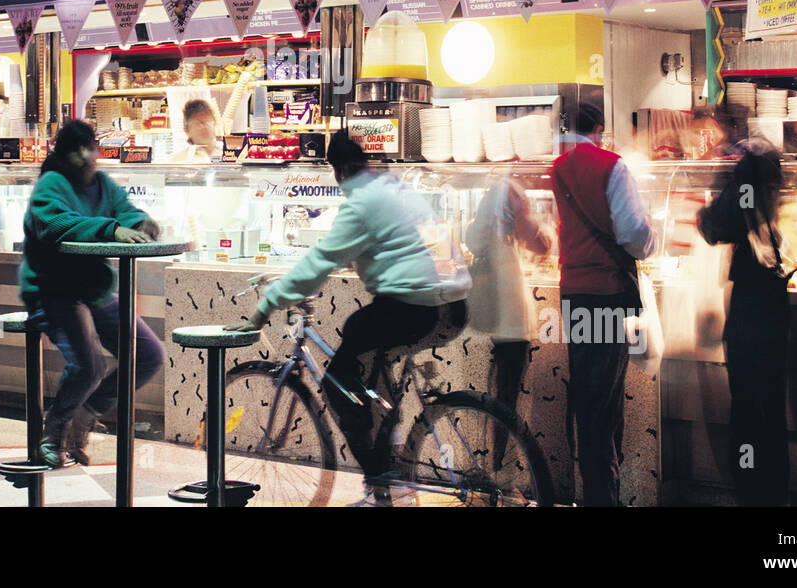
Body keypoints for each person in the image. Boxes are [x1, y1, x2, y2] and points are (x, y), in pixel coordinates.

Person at [228, 132, 470, 503]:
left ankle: (378, 474)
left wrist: (263, 310)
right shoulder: (394, 188)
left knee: (339, 377)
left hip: (413, 307)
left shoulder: (360, 204)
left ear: (337, 171)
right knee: (370, 358)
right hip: (452, 304)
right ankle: (389, 460)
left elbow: (320, 262)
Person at [19, 119, 165, 467]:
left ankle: (83, 417)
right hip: (54, 289)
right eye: (77, 149)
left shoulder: (102, 184)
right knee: (89, 366)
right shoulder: (50, 185)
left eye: (91, 147)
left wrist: (141, 221)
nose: (87, 156)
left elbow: (125, 210)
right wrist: (111, 230)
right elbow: (57, 225)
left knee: (148, 354)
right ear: (64, 154)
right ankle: (53, 431)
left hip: (94, 288)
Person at [550, 101, 655, 506]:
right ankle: (602, 497)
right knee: (603, 405)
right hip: (608, 295)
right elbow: (632, 234)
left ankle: (599, 490)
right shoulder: (612, 166)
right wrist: (652, 241)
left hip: (574, 295)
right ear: (599, 128)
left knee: (590, 398)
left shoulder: (559, 167)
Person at [696, 138, 792, 506]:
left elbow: (712, 228)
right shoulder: (768, 185)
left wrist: (725, 185)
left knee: (748, 411)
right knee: (771, 406)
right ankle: (775, 493)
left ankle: (752, 495)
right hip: (775, 306)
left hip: (750, 310)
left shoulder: (744, 189)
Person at [465, 171, 553, 412]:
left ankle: (495, 445)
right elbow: (542, 245)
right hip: (510, 317)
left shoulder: (492, 197)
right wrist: (525, 216)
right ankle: (503, 447)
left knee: (495, 395)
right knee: (507, 396)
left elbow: (473, 240)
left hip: (487, 316)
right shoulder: (511, 192)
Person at [171, 97, 220, 163]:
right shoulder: (178, 160)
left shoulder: (229, 154)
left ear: (215, 124)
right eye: (197, 123)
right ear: (187, 131)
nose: (203, 126)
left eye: (207, 121)